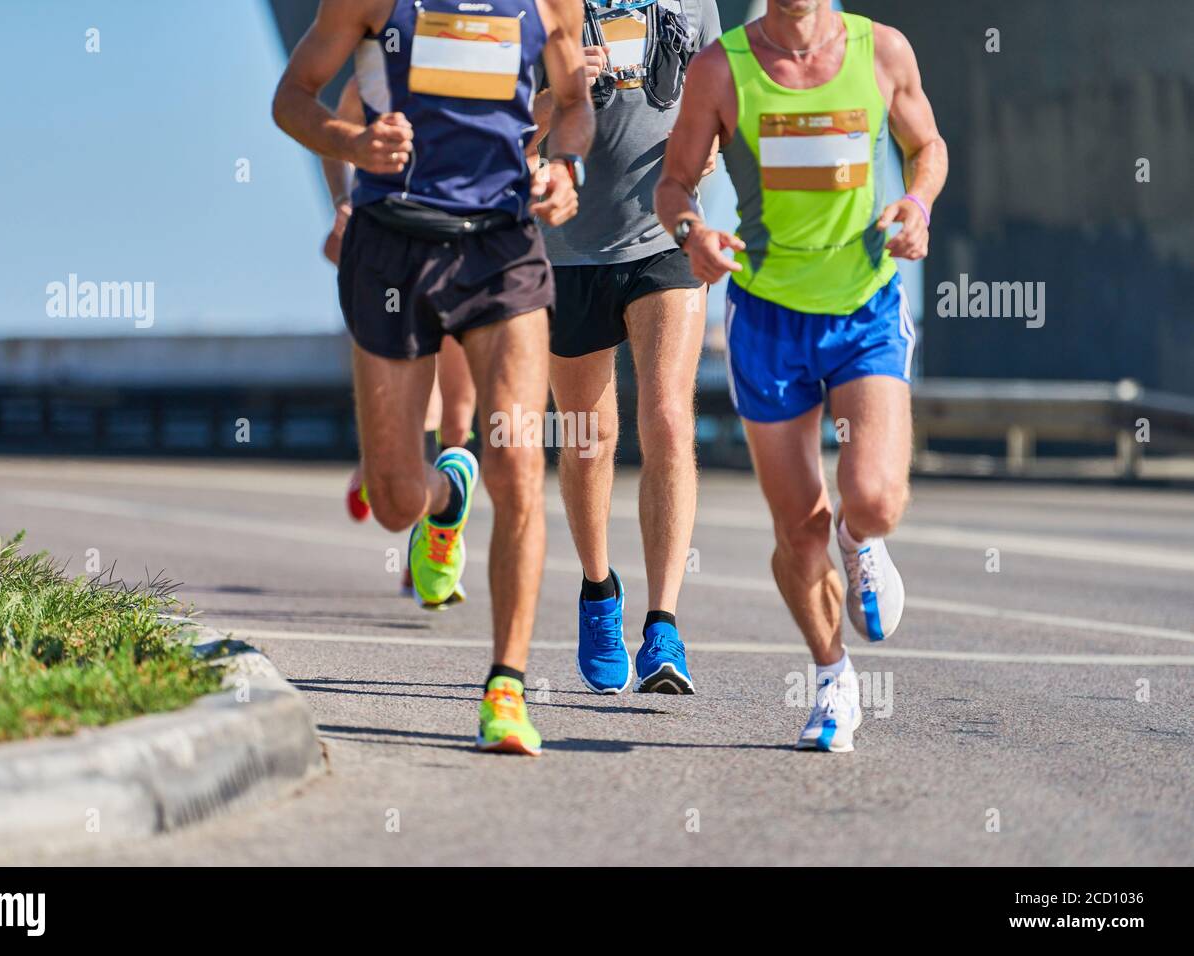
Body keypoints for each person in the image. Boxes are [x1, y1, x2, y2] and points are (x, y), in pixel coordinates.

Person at [274, 0, 593, 755]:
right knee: (392, 502)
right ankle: (446, 495)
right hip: (393, 247)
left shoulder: (551, 4)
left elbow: (575, 100)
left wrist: (566, 165)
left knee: (518, 461)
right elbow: (292, 97)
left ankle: (506, 687)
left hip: (502, 247)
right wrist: (352, 141)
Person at [655, 0, 947, 750]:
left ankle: (863, 541)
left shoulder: (881, 51)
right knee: (797, 530)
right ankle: (831, 678)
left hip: (863, 310)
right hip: (768, 320)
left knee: (874, 500)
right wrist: (693, 234)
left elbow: (929, 146)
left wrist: (915, 204)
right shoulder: (721, 69)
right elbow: (675, 183)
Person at [531, 0, 721, 696]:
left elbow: (717, 95)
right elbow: (508, 122)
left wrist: (709, 154)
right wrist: (557, 93)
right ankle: (598, 592)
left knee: (669, 417)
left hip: (664, 238)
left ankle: (664, 623)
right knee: (588, 437)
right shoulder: (549, 6)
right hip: (567, 250)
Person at [325, 79, 477, 592]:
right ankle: (388, 478)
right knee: (420, 409)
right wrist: (343, 203)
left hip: (475, 243)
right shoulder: (385, 55)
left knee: (458, 416)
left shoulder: (495, 38)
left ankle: (436, 526)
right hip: (396, 249)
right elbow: (333, 128)